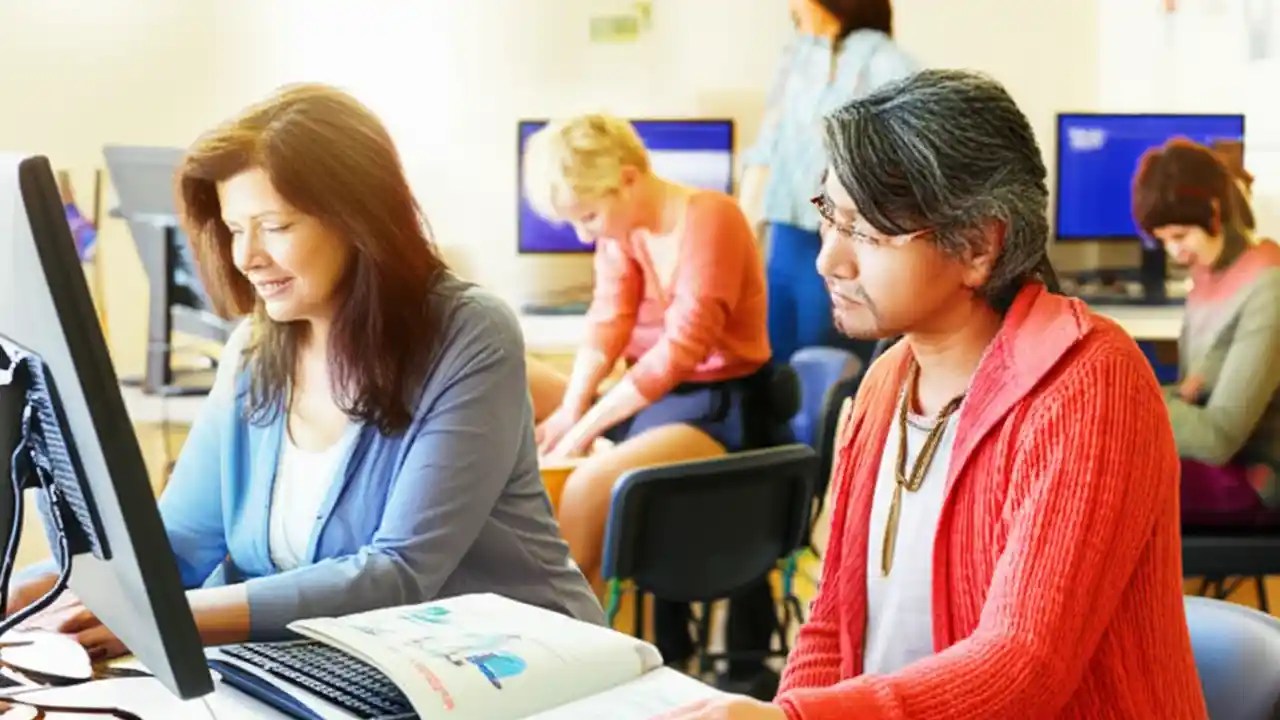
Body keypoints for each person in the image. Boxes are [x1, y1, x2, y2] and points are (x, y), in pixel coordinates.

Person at [662, 69, 1206, 719]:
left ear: (978, 245)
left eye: (864, 231)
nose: (827, 259)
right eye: (828, 217)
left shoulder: (1086, 384)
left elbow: (1022, 664)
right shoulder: (885, 381)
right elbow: (832, 624)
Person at [8, 83, 603, 659]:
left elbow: (398, 574)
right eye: (237, 229)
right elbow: (178, 547)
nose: (246, 257)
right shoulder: (253, 353)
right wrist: (26, 594)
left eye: (276, 226)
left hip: (523, 666)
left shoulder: (469, 333)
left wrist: (159, 619)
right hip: (348, 669)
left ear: (357, 218)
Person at [522, 114, 787, 689]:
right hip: (661, 399)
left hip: (724, 406)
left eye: (590, 216)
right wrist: (572, 408)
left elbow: (682, 349)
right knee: (524, 382)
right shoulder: (627, 232)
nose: (586, 235)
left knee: (590, 486)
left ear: (627, 179)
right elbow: (609, 317)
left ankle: (572, 672)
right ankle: (571, 632)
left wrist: (584, 424)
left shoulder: (711, 217)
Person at [739, 0, 917, 366]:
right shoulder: (796, 59)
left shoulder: (885, 61)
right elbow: (767, 148)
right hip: (787, 233)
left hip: (843, 235)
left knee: (825, 360)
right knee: (774, 358)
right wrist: (742, 233)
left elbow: (906, 161)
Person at [1132, 138, 1280, 520]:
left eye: (1180, 237)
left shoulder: (1268, 284)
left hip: (1258, 477)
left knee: (1105, 474)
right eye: (1163, 241)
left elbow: (1218, 438)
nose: (1174, 254)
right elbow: (1188, 394)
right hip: (1221, 459)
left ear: (1213, 211)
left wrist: (1134, 406)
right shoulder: (1208, 278)